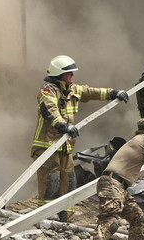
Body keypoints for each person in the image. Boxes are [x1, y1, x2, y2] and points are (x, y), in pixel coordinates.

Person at [32, 55, 130, 215]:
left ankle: (65, 218)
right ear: (59, 74)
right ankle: (44, 219)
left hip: (65, 147)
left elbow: (91, 92)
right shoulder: (47, 91)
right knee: (51, 184)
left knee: (69, 183)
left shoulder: (73, 89)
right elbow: (50, 110)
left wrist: (113, 93)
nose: (72, 76)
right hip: (47, 146)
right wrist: (64, 126)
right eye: (69, 73)